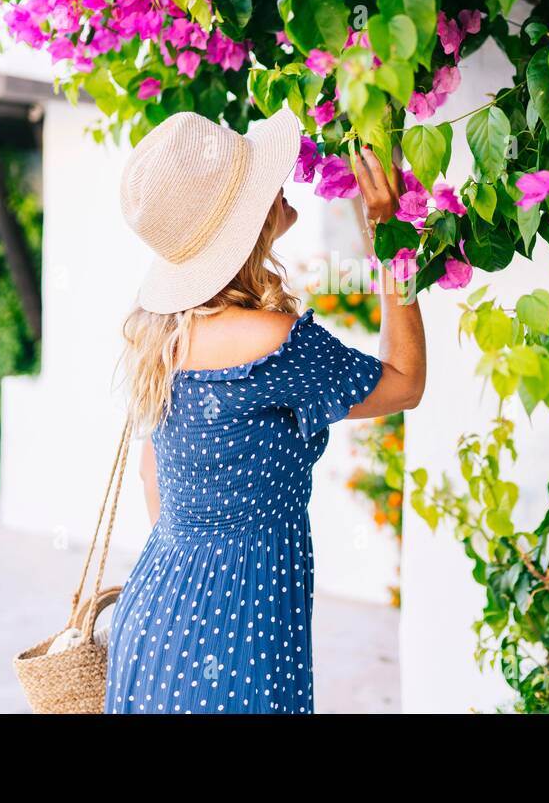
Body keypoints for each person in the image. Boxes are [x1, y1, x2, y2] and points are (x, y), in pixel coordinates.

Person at [105, 108, 425, 713]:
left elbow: (153, 479)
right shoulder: (275, 340)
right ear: (242, 224)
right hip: (238, 641)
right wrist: (393, 244)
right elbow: (405, 382)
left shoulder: (163, 337)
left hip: (153, 623)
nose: (275, 179)